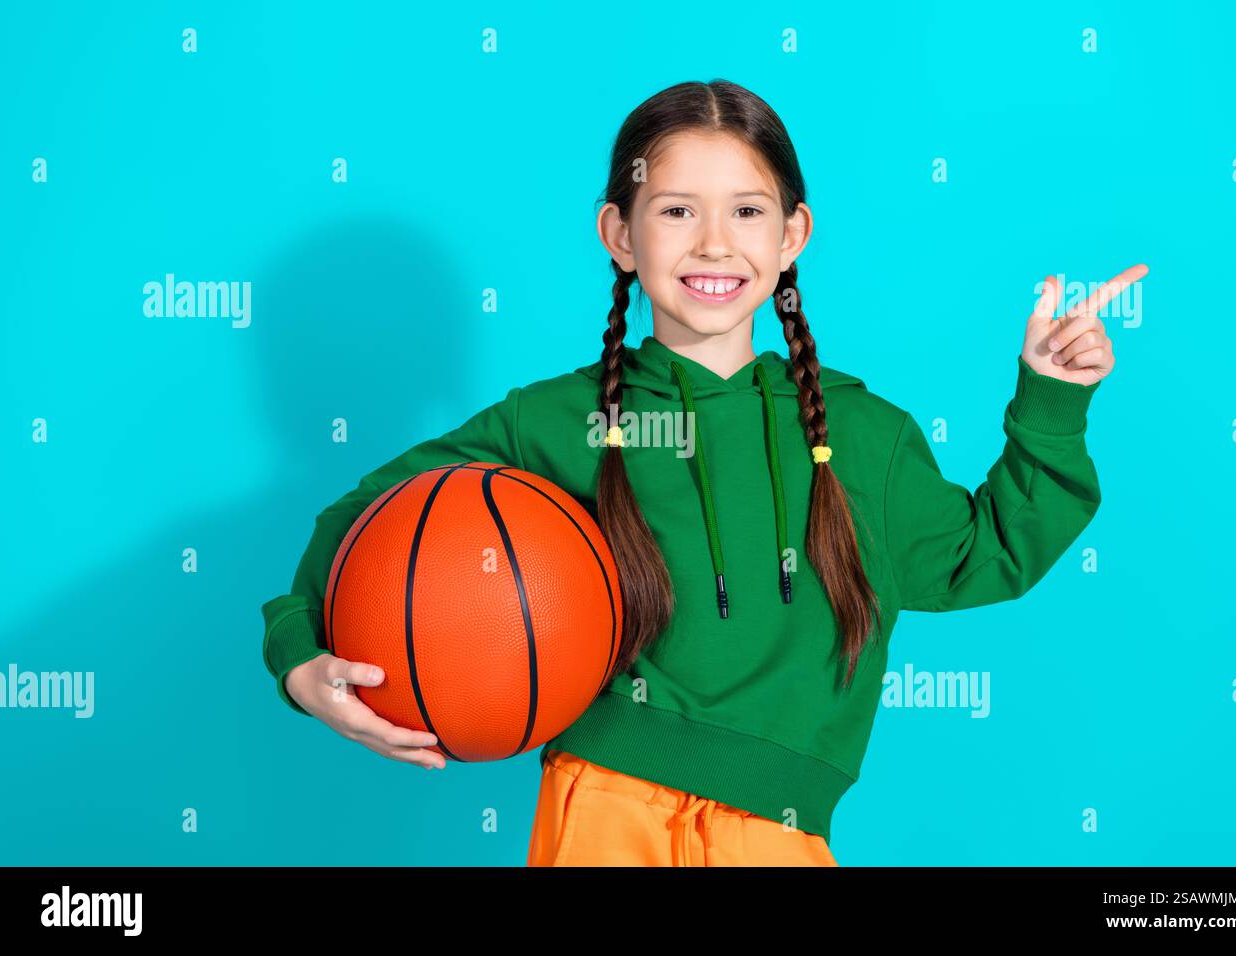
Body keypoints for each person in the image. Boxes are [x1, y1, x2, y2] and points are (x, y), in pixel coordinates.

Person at [260, 78, 1147, 867]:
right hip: (599, 808)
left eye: (748, 212)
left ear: (794, 233)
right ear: (620, 232)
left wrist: (1051, 403)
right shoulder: (557, 422)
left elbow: (983, 555)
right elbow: (368, 519)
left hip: (782, 825)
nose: (714, 243)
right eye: (677, 210)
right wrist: (302, 659)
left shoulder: (866, 435)